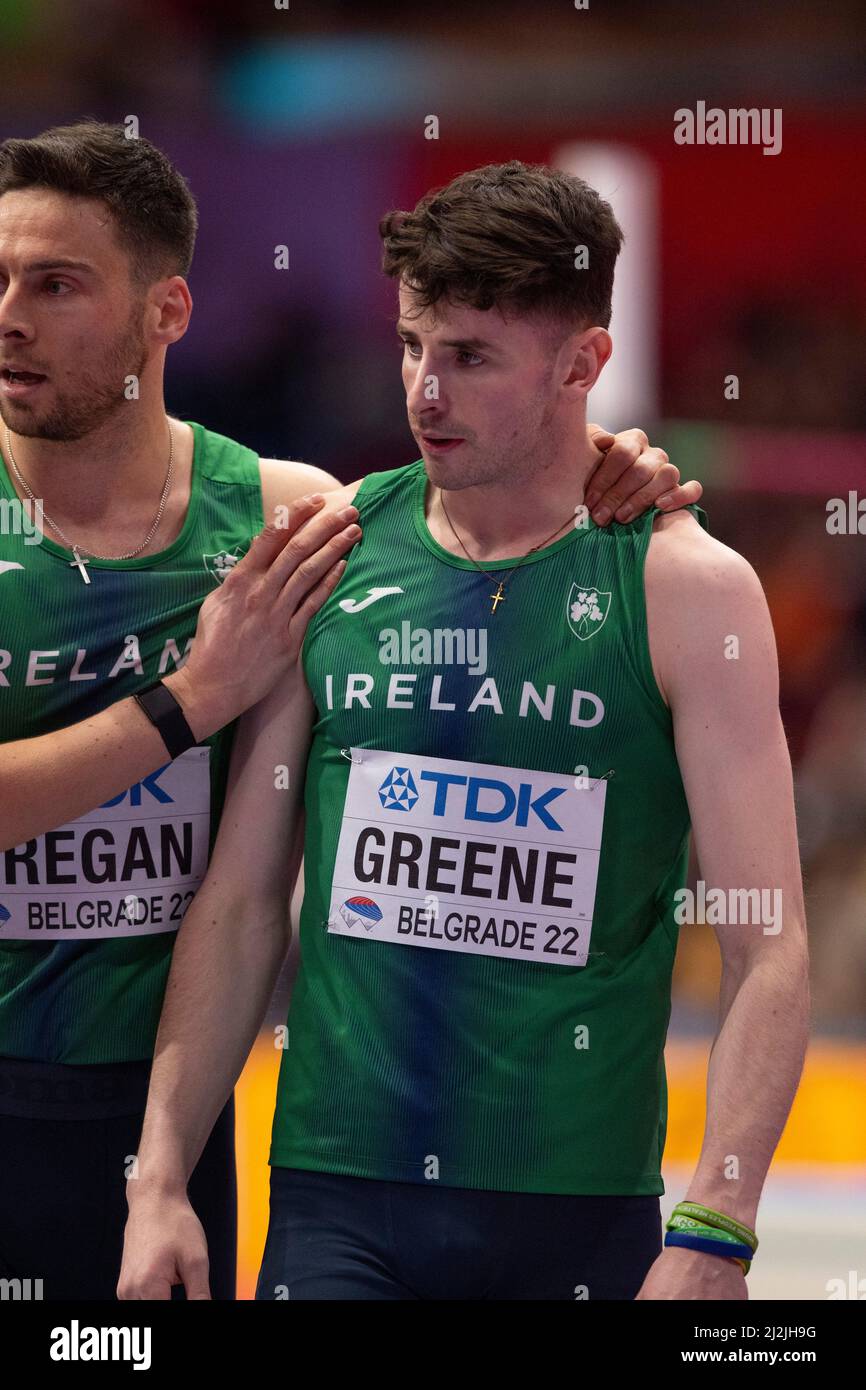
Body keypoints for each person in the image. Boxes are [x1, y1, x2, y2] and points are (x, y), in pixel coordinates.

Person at [0, 124, 684, 1302]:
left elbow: (492, 499)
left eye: (53, 284)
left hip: (164, 1107)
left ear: (167, 313)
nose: (9, 313)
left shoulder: (291, 520)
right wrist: (188, 700)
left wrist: (609, 464)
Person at [119, 160, 809, 1303]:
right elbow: (241, 900)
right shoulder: (329, 553)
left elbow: (766, 946)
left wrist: (716, 1225)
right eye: (409, 346)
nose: (422, 392)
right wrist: (159, 1177)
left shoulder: (688, 589)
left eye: (469, 357)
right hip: (335, 1198)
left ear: (583, 363)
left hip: (578, 1215)